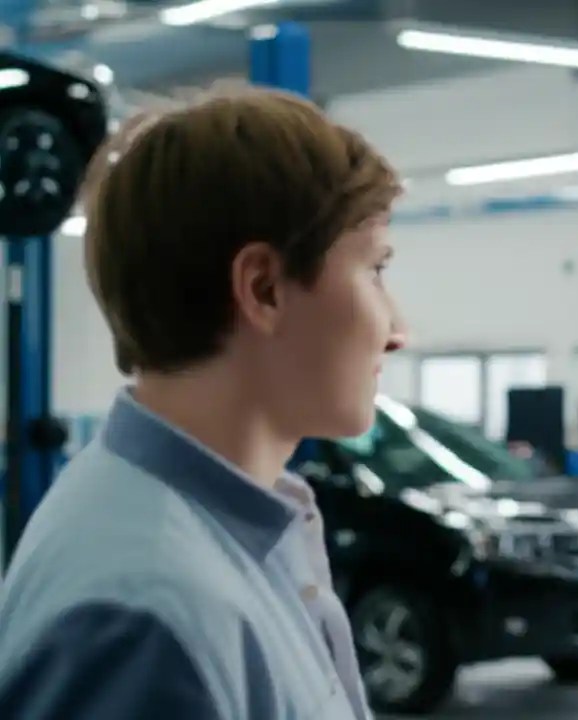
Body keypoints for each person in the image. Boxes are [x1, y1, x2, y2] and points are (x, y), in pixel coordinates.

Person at [0, 86, 406, 719]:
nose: (398, 328)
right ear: (264, 288)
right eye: (375, 269)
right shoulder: (147, 620)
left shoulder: (232, 531)